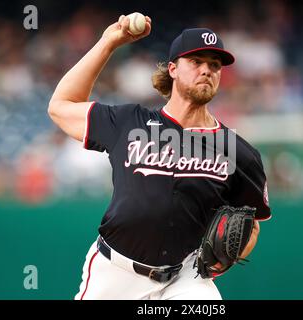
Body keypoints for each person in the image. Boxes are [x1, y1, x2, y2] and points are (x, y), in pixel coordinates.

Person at [48, 14, 271, 300]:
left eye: (214, 65)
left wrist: (220, 263)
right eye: (196, 62)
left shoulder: (237, 151)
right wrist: (108, 43)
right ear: (173, 69)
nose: (207, 70)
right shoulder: (129, 122)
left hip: (185, 279)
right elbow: (61, 107)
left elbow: (251, 223)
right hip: (116, 274)